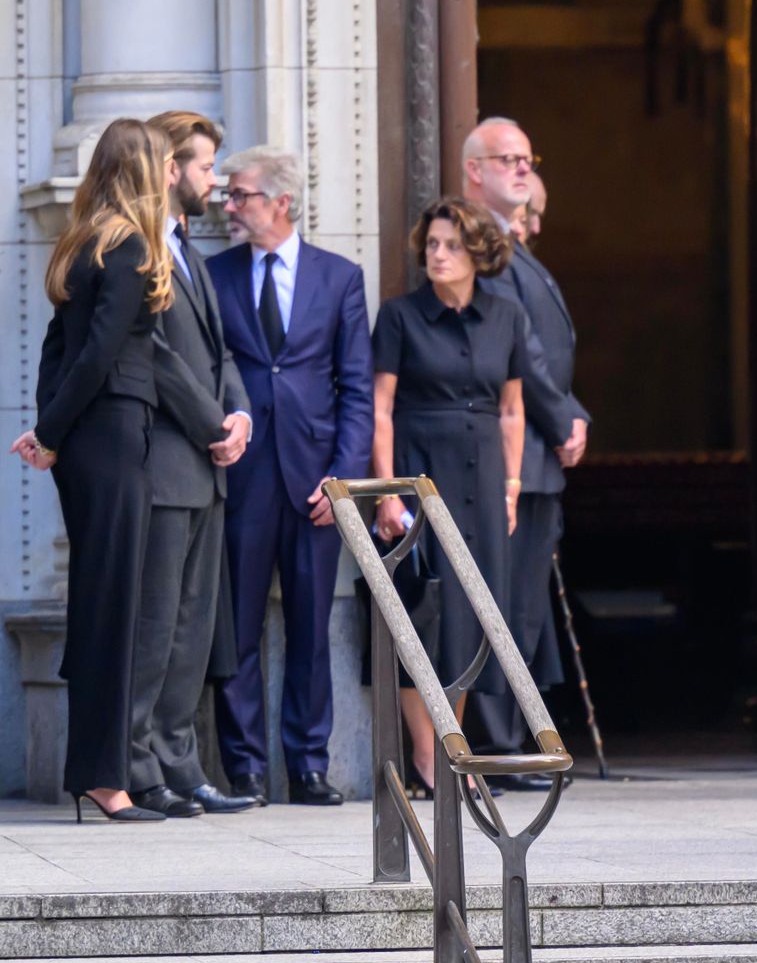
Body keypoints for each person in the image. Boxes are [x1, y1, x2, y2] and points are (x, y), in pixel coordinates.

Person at [15, 119, 175, 821]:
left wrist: (50, 431)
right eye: (164, 164)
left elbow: (58, 350)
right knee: (114, 608)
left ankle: (94, 772)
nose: (170, 176)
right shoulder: (130, 245)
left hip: (87, 443)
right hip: (111, 438)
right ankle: (107, 780)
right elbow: (98, 355)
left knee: (98, 603)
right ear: (142, 170)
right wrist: (49, 432)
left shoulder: (83, 242)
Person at [210, 145, 373, 806]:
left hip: (315, 482)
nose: (229, 206)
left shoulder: (340, 278)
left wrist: (344, 479)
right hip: (240, 476)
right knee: (238, 627)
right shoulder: (213, 274)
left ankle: (308, 766)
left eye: (240, 195)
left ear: (281, 201)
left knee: (310, 628)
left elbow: (357, 388)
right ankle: (245, 769)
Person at [370, 200, 528, 794]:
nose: (437, 255)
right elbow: (381, 409)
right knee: (422, 612)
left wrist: (511, 488)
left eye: (452, 246)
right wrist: (388, 493)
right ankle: (427, 755)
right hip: (420, 474)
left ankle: (450, 747)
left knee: (468, 617)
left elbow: (512, 410)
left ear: (479, 254)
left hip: (483, 480)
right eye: (432, 244)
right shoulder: (400, 316)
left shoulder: (506, 316)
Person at [127, 111, 258, 818]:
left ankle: (182, 766)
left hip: (209, 469)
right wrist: (213, 424)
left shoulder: (190, 253)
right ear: (170, 168)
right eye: (206, 166)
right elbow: (153, 354)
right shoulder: (136, 249)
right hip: (165, 464)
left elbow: (221, 354)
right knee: (155, 626)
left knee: (193, 628)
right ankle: (139, 765)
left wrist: (239, 416)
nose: (215, 181)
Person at [462, 120, 587, 789]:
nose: (519, 168)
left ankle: (514, 738)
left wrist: (572, 413)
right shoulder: (480, 244)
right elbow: (519, 349)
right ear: (473, 170)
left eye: (524, 158)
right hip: (508, 450)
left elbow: (547, 350)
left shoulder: (514, 244)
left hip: (537, 449)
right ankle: (496, 742)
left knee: (524, 608)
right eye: (505, 158)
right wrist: (563, 416)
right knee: (500, 603)